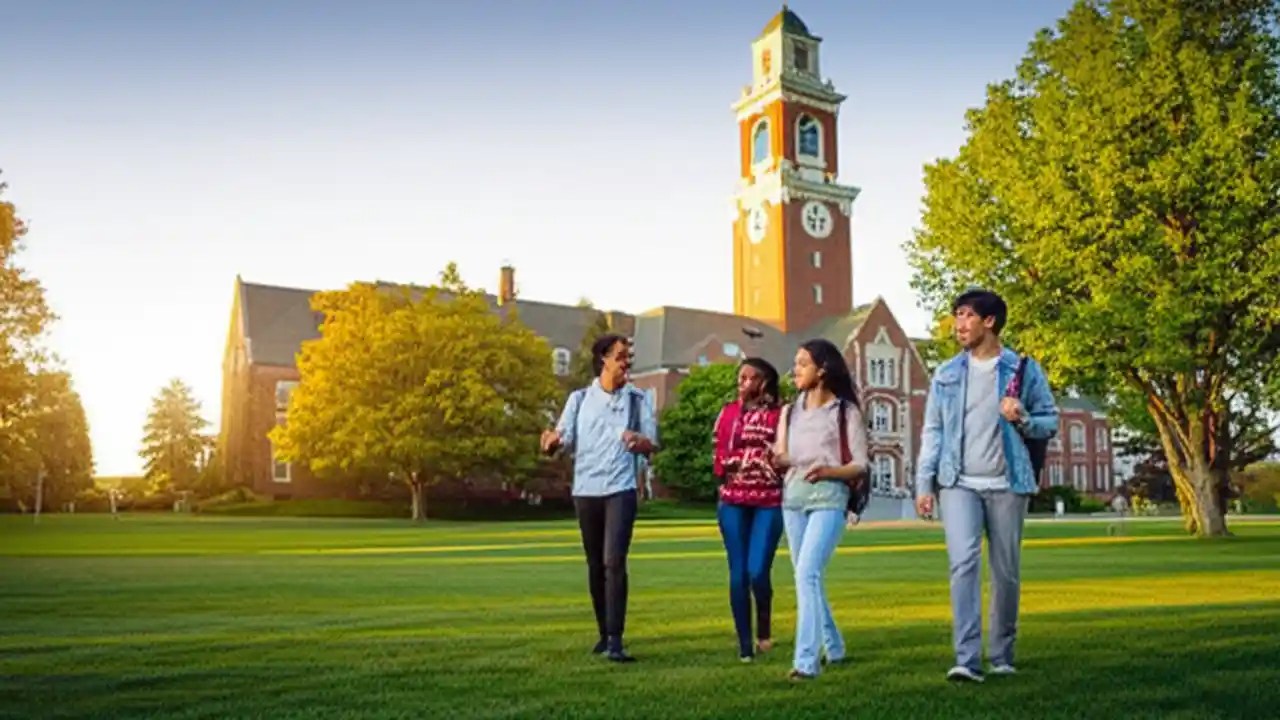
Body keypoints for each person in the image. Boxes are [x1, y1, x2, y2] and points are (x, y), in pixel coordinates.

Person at [914, 289, 1059, 683]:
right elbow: (933, 431)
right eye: (956, 316)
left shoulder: (1022, 370)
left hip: (1009, 484)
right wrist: (924, 483)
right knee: (962, 564)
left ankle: (1001, 655)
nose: (958, 325)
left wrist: (1023, 417)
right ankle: (966, 659)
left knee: (1005, 572)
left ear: (989, 321)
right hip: (958, 483)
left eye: (966, 315)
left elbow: (1050, 421)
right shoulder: (946, 374)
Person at [541, 334, 657, 663]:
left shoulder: (638, 400)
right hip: (586, 491)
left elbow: (653, 444)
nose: (626, 363)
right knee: (595, 565)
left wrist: (639, 441)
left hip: (621, 489)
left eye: (628, 357)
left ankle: (616, 640)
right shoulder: (579, 399)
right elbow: (562, 438)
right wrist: (551, 442)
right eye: (620, 356)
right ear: (603, 359)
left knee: (614, 561)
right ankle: (603, 634)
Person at [773, 339, 869, 681]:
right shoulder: (789, 411)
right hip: (793, 500)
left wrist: (829, 471)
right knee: (806, 578)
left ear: (823, 369)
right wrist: (775, 460)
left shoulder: (845, 412)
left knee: (807, 574)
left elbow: (860, 464)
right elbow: (784, 455)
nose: (795, 370)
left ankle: (806, 662)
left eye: (803, 363)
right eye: (795, 363)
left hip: (829, 498)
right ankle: (834, 645)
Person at [712, 358, 785, 663]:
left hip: (769, 501)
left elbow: (784, 454)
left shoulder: (782, 414)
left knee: (758, 571)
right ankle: (745, 644)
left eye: (748, 378)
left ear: (764, 382)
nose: (741, 383)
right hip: (733, 501)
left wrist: (761, 462)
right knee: (738, 572)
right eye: (739, 377)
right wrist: (733, 466)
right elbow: (718, 452)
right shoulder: (729, 412)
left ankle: (763, 629)